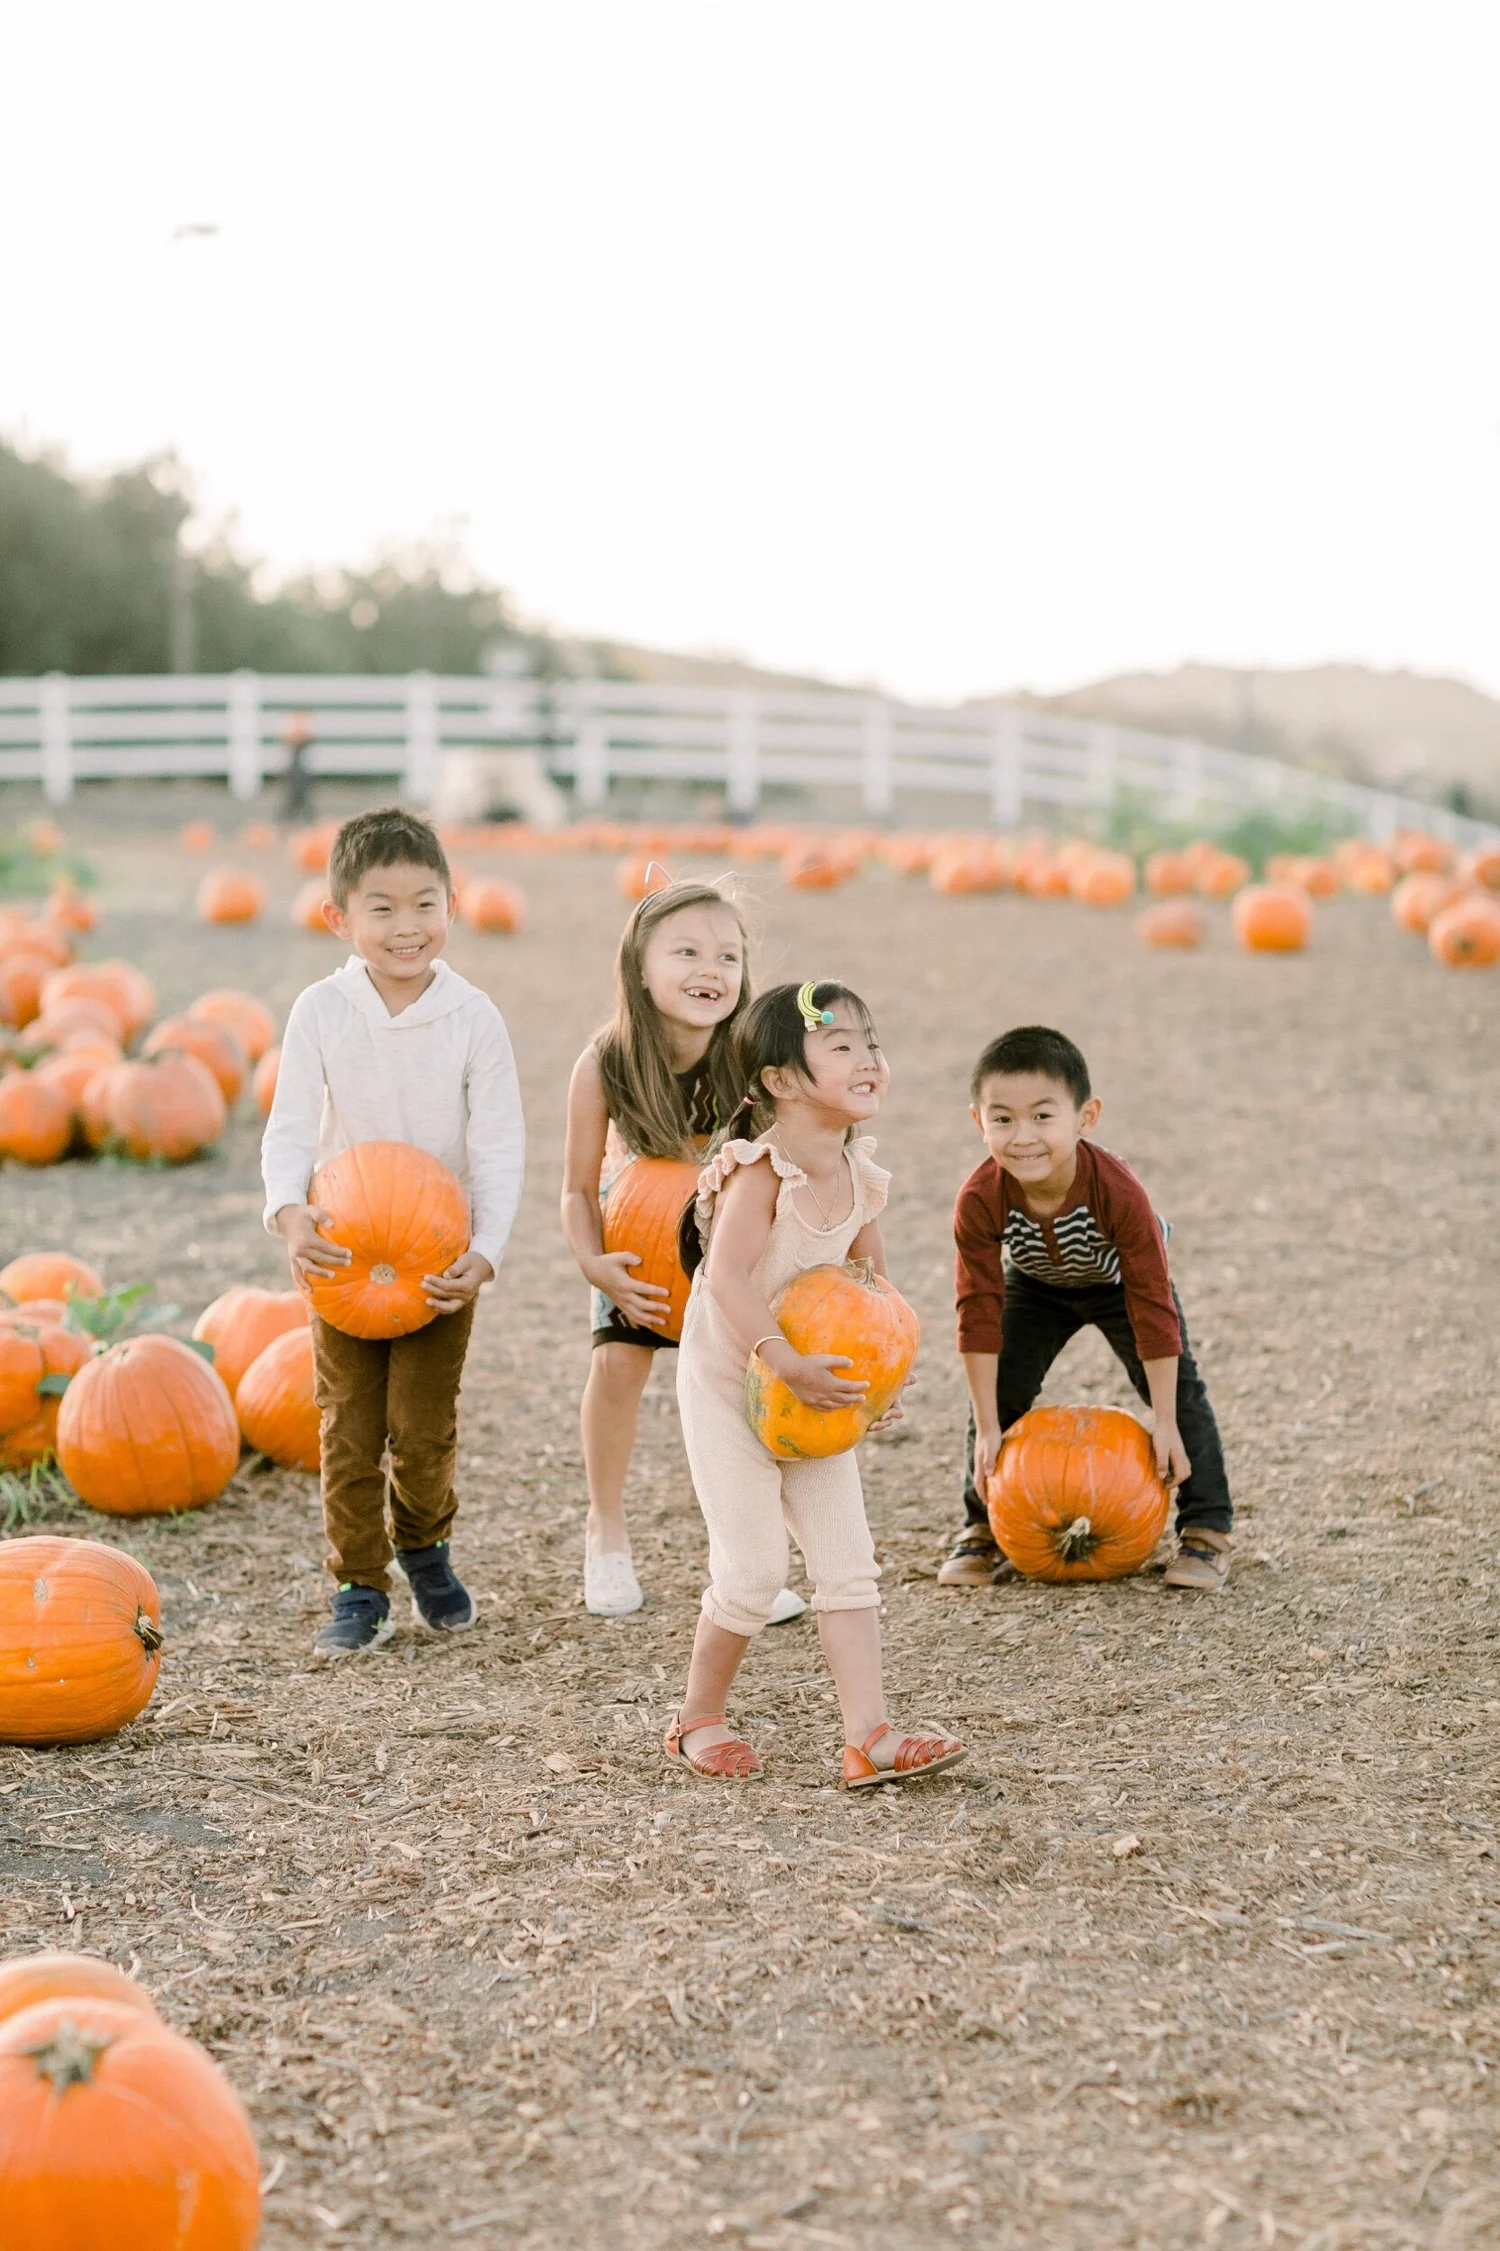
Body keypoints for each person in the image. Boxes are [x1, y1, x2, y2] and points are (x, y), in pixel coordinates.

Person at [665, 979, 965, 1787]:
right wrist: (781, 1357)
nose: (870, 1058)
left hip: (815, 1389)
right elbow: (727, 1281)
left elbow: (873, 1286)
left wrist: (878, 1379)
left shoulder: (860, 1174)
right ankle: (698, 1717)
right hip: (733, 1383)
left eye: (873, 1042)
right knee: (754, 1571)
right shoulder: (761, 1172)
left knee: (848, 1561)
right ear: (780, 1080)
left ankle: (868, 1736)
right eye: (843, 1046)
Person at [261, 806, 524, 1658]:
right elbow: (291, 1125)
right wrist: (289, 1208)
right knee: (347, 1425)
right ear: (339, 917)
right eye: (381, 907)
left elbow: (498, 1143)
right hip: (342, 1253)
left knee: (421, 1426)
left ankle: (424, 1544)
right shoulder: (321, 1010)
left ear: (454, 903)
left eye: (423, 903)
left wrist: (485, 1252)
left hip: (439, 1259)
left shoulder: (474, 1016)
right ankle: (359, 1581)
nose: (405, 926)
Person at [560, 877, 805, 1626]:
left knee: (739, 1392)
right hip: (636, 1239)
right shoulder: (604, 1063)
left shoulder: (751, 1059)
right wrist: (593, 1263)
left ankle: (745, 1554)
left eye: (727, 955)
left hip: (729, 1243)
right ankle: (606, 1529)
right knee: (618, 1364)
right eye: (688, 951)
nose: (711, 969)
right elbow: (575, 1189)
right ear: (639, 967)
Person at [940, 1024, 1231, 1593]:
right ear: (979, 1122)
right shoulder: (980, 1199)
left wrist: (1165, 1423)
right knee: (1002, 1394)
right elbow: (976, 1309)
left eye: (1043, 1116)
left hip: (1120, 1285)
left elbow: (1153, 1307)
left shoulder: (1118, 1192)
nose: (1023, 1136)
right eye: (1002, 1118)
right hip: (1037, 1284)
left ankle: (1208, 1527)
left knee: (1183, 1398)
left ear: (1085, 1118)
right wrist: (987, 1424)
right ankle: (983, 1524)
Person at [280, 709, 314, 824]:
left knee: (301, 795)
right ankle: (291, 815)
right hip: (294, 768)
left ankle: (298, 815)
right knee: (293, 795)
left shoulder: (306, 732)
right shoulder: (290, 731)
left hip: (302, 768)